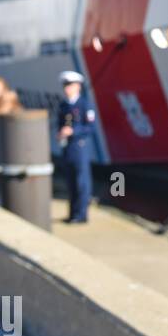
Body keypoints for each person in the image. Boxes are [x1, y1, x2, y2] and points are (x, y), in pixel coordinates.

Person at [56, 71, 95, 223]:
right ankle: (72, 213)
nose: (67, 88)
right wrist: (61, 133)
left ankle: (81, 214)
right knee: (71, 182)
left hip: (80, 147)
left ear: (78, 86)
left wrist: (73, 131)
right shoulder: (64, 105)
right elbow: (61, 123)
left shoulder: (84, 104)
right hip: (68, 148)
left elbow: (90, 128)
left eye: (70, 85)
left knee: (82, 182)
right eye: (65, 85)